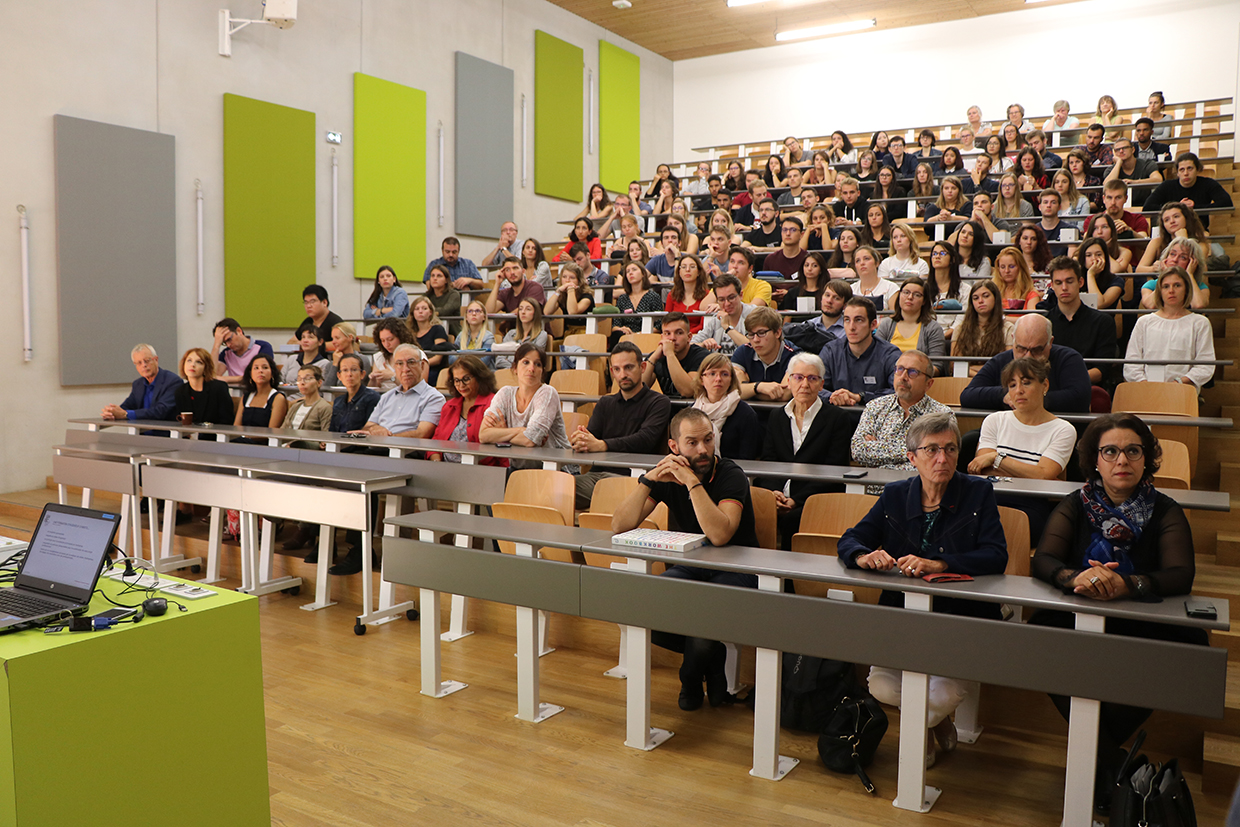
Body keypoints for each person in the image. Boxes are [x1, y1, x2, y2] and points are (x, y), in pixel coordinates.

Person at [1029, 412, 1204, 812]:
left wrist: (1129, 584)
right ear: (1095, 460)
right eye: (1110, 451)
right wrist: (1075, 578)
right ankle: (1117, 764)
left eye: (1132, 451)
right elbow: (1044, 560)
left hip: (1144, 619)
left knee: (1184, 654)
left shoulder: (1165, 509)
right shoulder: (1075, 504)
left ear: (1146, 459)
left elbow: (1181, 575)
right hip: (1078, 614)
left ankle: (1101, 760)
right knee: (1038, 642)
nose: (1121, 460)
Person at [839, 411, 1008, 767]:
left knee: (941, 693)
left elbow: (996, 555)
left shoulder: (978, 492)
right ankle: (935, 724)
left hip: (960, 620)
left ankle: (921, 737)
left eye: (950, 449)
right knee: (882, 687)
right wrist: (863, 555)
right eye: (931, 450)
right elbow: (851, 539)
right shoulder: (896, 494)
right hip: (902, 620)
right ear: (911, 456)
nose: (942, 459)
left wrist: (942, 563)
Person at [611, 408, 760, 710]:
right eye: (692, 442)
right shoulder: (669, 475)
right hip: (690, 567)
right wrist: (649, 480)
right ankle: (712, 658)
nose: (703, 449)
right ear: (674, 447)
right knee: (645, 609)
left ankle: (690, 679)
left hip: (737, 570)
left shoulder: (730, 474)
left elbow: (720, 534)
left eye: (708, 439)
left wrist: (692, 482)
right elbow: (620, 524)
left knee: (703, 623)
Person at [968, 357, 1077, 539]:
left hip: (1031, 505)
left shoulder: (1063, 429)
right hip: (988, 498)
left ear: (1045, 385)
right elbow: (981, 468)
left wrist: (997, 458)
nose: (1018, 391)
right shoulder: (995, 420)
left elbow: (1043, 475)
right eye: (1012, 385)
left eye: (1026, 383)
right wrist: (1029, 471)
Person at [753, 352, 852, 547]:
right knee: (751, 510)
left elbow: (835, 469)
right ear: (789, 381)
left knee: (793, 520)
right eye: (798, 378)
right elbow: (769, 461)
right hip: (778, 495)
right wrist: (773, 493)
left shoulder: (837, 418)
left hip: (816, 498)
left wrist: (796, 500)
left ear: (821, 384)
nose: (804, 385)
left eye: (812, 378)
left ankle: (790, 578)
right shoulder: (776, 416)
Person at [569, 342, 672, 506]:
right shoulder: (605, 402)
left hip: (634, 479)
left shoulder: (659, 402)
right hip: (596, 475)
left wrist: (603, 445)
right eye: (617, 369)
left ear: (643, 367)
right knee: (550, 492)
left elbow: (645, 440)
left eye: (629, 367)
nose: (623, 374)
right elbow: (592, 438)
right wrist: (581, 440)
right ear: (612, 372)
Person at [960, 314, 1092, 412]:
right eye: (1021, 349)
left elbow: (1080, 397)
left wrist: (1033, 399)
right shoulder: (1001, 360)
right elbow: (967, 395)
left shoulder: (1069, 358)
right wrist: (1005, 395)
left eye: (1036, 350)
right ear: (1013, 340)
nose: (1028, 356)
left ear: (1050, 343)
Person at [480, 343, 575, 472]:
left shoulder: (547, 393)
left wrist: (503, 433)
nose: (531, 368)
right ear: (515, 368)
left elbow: (530, 440)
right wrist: (520, 431)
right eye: (526, 362)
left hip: (556, 469)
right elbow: (484, 435)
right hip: (519, 468)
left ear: (542, 371)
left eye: (538, 364)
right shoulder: (505, 393)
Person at [851, 350, 951, 470]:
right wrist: (913, 452)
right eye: (899, 369)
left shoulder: (942, 415)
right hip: (872, 487)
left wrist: (878, 448)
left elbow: (935, 460)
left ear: (928, 384)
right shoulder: (875, 406)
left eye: (912, 372)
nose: (903, 377)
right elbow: (857, 450)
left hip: (916, 487)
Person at [1124, 267, 1216, 390]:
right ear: (1159, 291)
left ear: (1186, 289)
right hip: (1146, 392)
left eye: (1177, 285)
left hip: (1183, 392)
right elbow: (1131, 363)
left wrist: (1178, 383)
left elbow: (1205, 365)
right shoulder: (1144, 322)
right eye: (1166, 286)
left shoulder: (1200, 323)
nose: (1171, 291)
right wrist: (1145, 384)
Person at [1042, 257, 1118, 387]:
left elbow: (1102, 369)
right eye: (1059, 283)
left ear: (1080, 282)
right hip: (1050, 388)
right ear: (1052, 285)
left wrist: (1071, 381)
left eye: (1069, 281)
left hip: (1088, 388)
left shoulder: (1103, 322)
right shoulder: (1044, 323)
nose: (1064, 287)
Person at [818, 297, 901, 407]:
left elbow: (899, 392)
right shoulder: (831, 351)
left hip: (877, 420)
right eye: (847, 320)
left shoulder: (890, 354)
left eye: (858, 320)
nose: (851, 327)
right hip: (837, 419)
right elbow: (815, 386)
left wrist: (861, 397)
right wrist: (834, 397)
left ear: (873, 325)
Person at [427, 355, 503, 466]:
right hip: (444, 469)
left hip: (481, 471)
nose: (461, 385)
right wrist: (437, 463)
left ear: (480, 377)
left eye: (466, 379)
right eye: (457, 380)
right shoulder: (449, 406)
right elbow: (436, 442)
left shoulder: (493, 403)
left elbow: (498, 447)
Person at [357, 344, 444, 439]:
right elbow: (368, 426)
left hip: (407, 451)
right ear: (394, 368)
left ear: (422, 365)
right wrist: (377, 429)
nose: (405, 369)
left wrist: (386, 438)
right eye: (399, 363)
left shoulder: (434, 397)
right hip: (375, 448)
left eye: (411, 362)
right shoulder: (387, 396)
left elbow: (422, 434)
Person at [691, 353, 762, 461]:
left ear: (731, 380)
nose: (718, 379)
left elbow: (747, 457)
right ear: (702, 379)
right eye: (712, 373)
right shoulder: (693, 412)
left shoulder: (746, 414)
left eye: (724, 374)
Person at [1143, 152, 1234, 230]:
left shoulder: (1208, 183)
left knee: (1219, 251)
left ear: (1197, 169)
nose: (1186, 173)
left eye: (1190, 168)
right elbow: (1148, 207)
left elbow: (1226, 203)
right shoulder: (1167, 186)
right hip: (1172, 233)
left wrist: (1195, 207)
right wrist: (1177, 208)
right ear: (1177, 173)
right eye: (1182, 170)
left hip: (1200, 232)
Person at [877, 277, 948, 375]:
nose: (910, 297)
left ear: (924, 301)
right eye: (906, 292)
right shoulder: (886, 325)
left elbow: (937, 366)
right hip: (887, 379)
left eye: (917, 295)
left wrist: (913, 374)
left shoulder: (933, 329)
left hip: (918, 381)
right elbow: (875, 358)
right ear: (899, 295)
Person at [102, 343, 182, 422]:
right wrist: (112, 413)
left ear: (156, 360)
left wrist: (126, 414)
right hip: (140, 433)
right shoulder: (137, 384)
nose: (144, 365)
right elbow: (127, 406)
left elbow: (160, 411)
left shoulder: (173, 381)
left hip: (164, 433)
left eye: (147, 361)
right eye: (139, 363)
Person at [730, 306, 795, 402]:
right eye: (751, 334)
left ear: (777, 333)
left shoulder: (794, 356)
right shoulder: (743, 352)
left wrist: (748, 389)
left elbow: (784, 394)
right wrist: (759, 387)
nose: (755, 340)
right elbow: (732, 390)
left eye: (761, 333)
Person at [951, 280, 1015, 375]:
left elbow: (1009, 364)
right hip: (965, 380)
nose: (980, 301)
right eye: (975, 298)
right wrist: (980, 375)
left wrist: (974, 370)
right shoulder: (960, 329)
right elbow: (954, 365)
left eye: (986, 296)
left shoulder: (1008, 328)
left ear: (995, 298)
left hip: (996, 381)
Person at [644, 312, 708, 400]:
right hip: (667, 411)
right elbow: (638, 389)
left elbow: (688, 391)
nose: (672, 338)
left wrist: (670, 354)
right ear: (662, 337)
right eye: (667, 333)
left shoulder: (701, 356)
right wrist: (653, 358)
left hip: (694, 410)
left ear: (689, 337)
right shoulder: (656, 357)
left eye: (679, 333)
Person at [1135, 202, 1209, 277]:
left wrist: (1182, 239)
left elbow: (1194, 267)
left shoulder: (1200, 244)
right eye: (1166, 220)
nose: (1172, 221)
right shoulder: (1157, 241)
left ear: (1186, 218)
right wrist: (1154, 268)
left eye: (1176, 216)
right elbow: (1139, 270)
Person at [1139, 236, 1210, 311]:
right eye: (1172, 254)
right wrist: (1166, 275)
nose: (1175, 260)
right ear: (1165, 258)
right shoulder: (1151, 285)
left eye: (1183, 257)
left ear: (1192, 263)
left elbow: (1198, 305)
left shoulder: (1200, 287)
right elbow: (1150, 305)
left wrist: (1189, 274)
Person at [692, 274, 754, 356]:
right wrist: (703, 344)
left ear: (741, 295)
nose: (727, 303)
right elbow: (690, 346)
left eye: (731, 297)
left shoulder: (753, 315)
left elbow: (754, 348)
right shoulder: (716, 320)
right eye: (721, 300)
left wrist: (727, 327)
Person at [174, 347, 233, 425]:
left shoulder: (219, 388)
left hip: (215, 435)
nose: (192, 365)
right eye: (189, 360)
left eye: (199, 362)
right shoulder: (180, 391)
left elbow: (227, 421)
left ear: (206, 367)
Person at [330, 353, 381, 437]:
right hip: (338, 445)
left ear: (362, 374)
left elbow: (370, 429)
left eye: (354, 370)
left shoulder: (372, 397)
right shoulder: (338, 401)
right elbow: (332, 431)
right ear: (339, 376)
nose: (349, 374)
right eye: (345, 370)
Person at [212, 318, 274, 386]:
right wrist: (216, 345)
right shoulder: (226, 353)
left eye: (229, 339)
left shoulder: (262, 347)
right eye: (224, 343)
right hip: (237, 395)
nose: (228, 345)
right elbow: (212, 375)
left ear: (239, 331)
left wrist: (228, 379)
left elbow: (260, 375)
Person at [233, 353, 287, 429]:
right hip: (241, 439)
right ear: (250, 373)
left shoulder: (278, 398)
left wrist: (247, 436)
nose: (260, 371)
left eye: (265, 367)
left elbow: (272, 431)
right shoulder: (246, 396)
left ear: (272, 373)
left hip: (263, 440)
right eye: (256, 368)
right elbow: (236, 426)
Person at [1103, 138, 1162, 206]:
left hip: (1144, 205)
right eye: (1117, 150)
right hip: (1119, 207)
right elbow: (1107, 185)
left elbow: (1158, 180)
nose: (1121, 151)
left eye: (1124, 148)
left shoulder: (1147, 164)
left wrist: (1134, 182)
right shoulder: (1111, 170)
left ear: (1133, 149)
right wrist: (1119, 162)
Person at [494, 298, 549, 371]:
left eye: (528, 309)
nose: (523, 312)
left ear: (535, 313)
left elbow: (534, 360)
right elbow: (499, 360)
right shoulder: (511, 334)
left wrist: (514, 366)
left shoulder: (541, 335)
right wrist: (515, 369)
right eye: (520, 309)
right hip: (507, 372)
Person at [283, 363, 333, 443]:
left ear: (319, 382)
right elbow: (282, 431)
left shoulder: (324, 407)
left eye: (308, 378)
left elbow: (325, 438)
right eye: (299, 379)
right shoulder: (295, 406)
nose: (302, 382)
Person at [1083, 180, 1150, 240]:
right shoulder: (1091, 220)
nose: (1113, 202)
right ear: (1103, 199)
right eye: (1109, 197)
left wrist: (1129, 231)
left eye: (1118, 198)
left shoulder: (1137, 219)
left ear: (1126, 199)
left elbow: (1144, 242)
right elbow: (1085, 242)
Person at [665, 255, 715, 332]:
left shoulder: (706, 295)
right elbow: (666, 322)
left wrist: (686, 335)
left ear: (698, 272)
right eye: (684, 267)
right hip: (675, 337)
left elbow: (704, 325)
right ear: (679, 272)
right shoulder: (672, 295)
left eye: (692, 267)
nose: (687, 270)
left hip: (698, 337)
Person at [408, 296, 451, 385]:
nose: (420, 311)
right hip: (416, 368)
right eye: (417, 309)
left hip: (434, 370)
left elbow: (438, 358)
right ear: (413, 313)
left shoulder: (438, 329)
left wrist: (419, 365)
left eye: (424, 309)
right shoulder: (411, 333)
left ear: (430, 312)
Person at [544, 263, 594, 339]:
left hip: (584, 335)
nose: (567, 280)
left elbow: (572, 312)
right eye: (564, 277)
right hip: (567, 335)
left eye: (572, 278)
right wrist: (558, 292)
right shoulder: (562, 296)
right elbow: (547, 312)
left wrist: (571, 289)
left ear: (579, 281)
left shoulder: (587, 296)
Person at [280, 322, 336, 390]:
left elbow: (322, 388)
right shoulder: (291, 359)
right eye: (303, 337)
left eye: (310, 337)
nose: (305, 340)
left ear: (320, 342)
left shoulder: (324, 364)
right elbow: (280, 381)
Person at [926, 242, 972, 324]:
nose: (937, 257)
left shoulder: (965, 289)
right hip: (928, 334)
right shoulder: (924, 289)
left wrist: (946, 335)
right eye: (934, 254)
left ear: (953, 259)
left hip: (954, 335)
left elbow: (962, 320)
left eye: (942, 253)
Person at [1073, 238, 1125, 309]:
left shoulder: (1116, 281)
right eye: (1088, 255)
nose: (1094, 258)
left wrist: (1090, 274)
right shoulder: (1075, 279)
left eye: (1099, 254)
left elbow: (1098, 304)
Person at [369, 317, 416, 392]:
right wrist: (373, 380)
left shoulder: (416, 355)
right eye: (383, 341)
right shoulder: (379, 357)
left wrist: (392, 377)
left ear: (401, 336)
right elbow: (372, 389)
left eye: (390, 339)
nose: (387, 344)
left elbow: (417, 388)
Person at [994, 246, 1041, 315]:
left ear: (1021, 268)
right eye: (1003, 267)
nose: (1007, 271)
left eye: (1011, 266)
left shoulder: (1031, 294)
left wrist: (1002, 319)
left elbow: (1031, 320)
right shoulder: (992, 292)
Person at [851, 245, 899, 312]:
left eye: (866, 258)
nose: (862, 263)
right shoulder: (851, 289)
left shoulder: (891, 288)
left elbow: (894, 317)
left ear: (877, 263)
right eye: (858, 261)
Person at [299, 285, 343, 351]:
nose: (308, 306)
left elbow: (343, 343)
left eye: (312, 302)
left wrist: (314, 346)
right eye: (306, 302)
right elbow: (292, 341)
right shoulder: (308, 321)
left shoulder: (335, 322)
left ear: (324, 302)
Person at [423, 264, 463, 336]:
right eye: (433, 276)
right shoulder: (426, 296)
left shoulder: (454, 294)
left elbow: (445, 310)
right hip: (430, 332)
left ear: (446, 280)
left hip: (451, 333)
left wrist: (428, 313)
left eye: (439, 276)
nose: (435, 278)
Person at [454, 300, 495, 366]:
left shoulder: (489, 337)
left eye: (478, 311)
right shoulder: (460, 336)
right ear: (466, 317)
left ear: (484, 317)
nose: (474, 314)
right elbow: (451, 358)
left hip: (481, 373)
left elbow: (484, 361)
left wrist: (462, 360)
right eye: (470, 311)